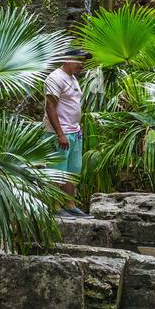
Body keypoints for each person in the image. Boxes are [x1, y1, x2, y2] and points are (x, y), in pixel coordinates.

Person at [44, 49, 88, 217]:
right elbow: (50, 107)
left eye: (83, 61)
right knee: (57, 171)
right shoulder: (55, 78)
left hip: (74, 132)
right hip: (58, 134)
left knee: (71, 171)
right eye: (78, 60)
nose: (81, 64)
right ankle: (55, 208)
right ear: (67, 60)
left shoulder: (72, 78)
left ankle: (70, 205)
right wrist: (60, 134)